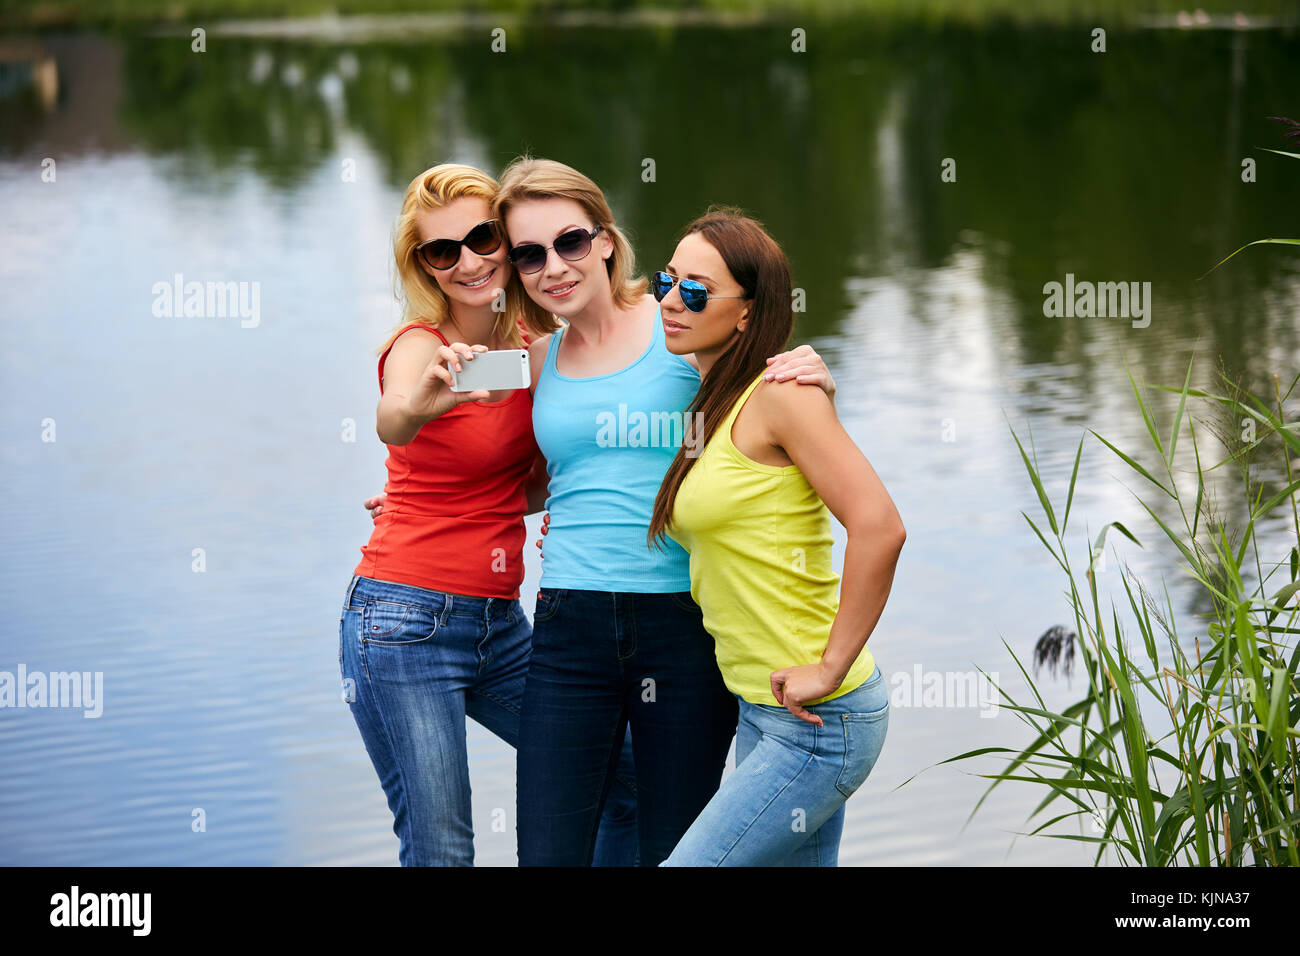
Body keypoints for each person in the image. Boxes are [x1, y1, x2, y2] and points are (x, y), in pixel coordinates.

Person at [491, 158, 839, 866]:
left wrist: (818, 371)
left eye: (570, 241)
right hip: (568, 632)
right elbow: (431, 404)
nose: (552, 266)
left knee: (673, 851)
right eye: (529, 253)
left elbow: (772, 396)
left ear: (608, 239)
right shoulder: (531, 360)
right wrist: (419, 485)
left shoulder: (680, 322)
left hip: (683, 629)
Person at [340, 162, 637, 866]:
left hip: (500, 627)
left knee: (626, 776)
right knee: (443, 852)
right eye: (444, 251)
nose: (470, 261)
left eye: (482, 238)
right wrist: (426, 402)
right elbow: (394, 418)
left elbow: (529, 485)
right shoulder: (424, 347)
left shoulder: (534, 348)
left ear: (508, 239)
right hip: (404, 624)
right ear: (426, 267)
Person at [647, 206, 906, 866]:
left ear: (745, 313)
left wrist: (830, 666)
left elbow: (880, 527)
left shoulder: (782, 394)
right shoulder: (715, 399)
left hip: (821, 721)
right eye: (666, 281)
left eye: (695, 291)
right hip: (764, 712)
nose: (671, 302)